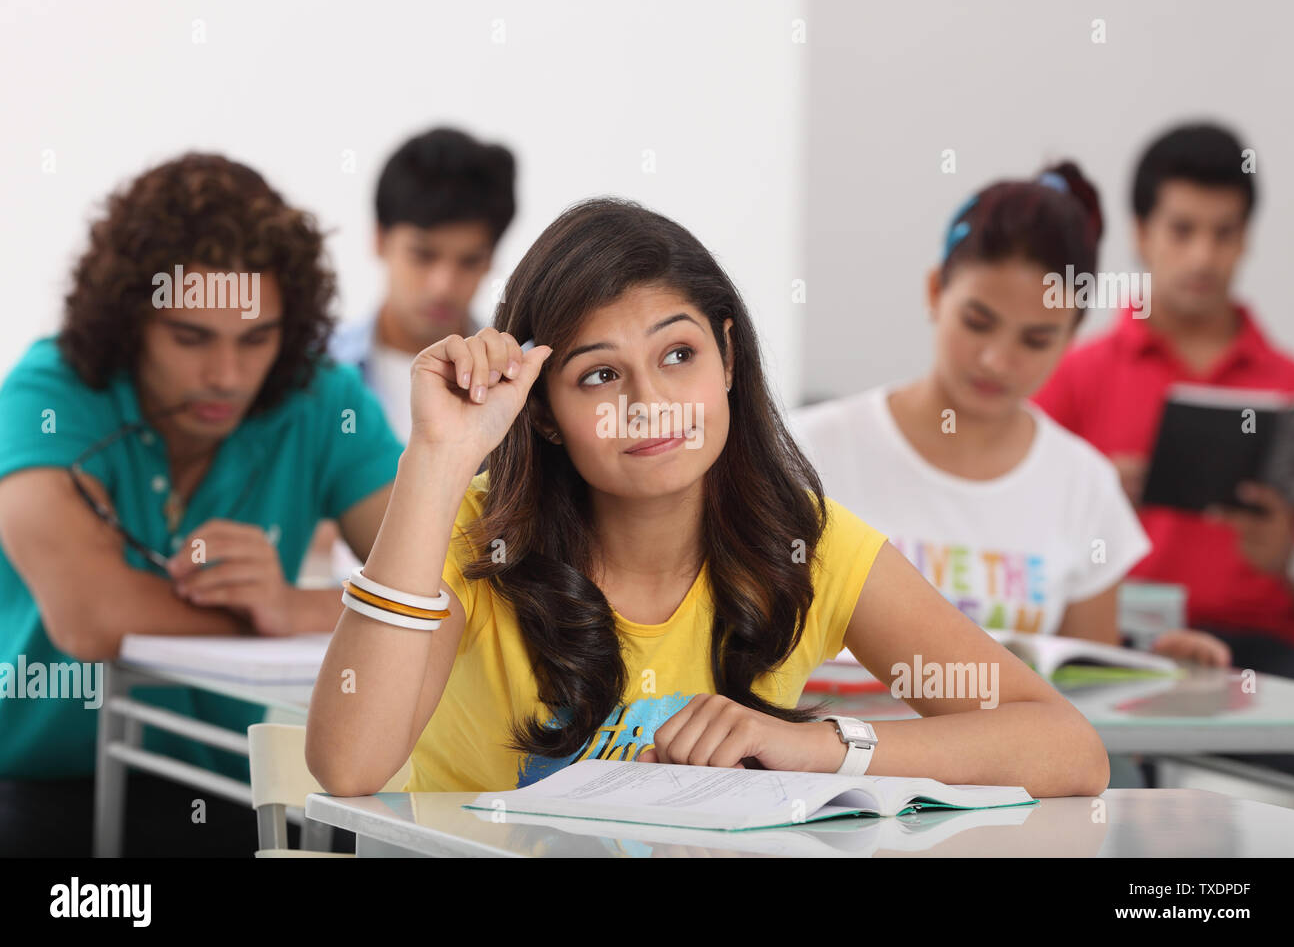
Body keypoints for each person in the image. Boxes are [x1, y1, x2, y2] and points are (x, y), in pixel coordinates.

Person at [306, 198, 1110, 801]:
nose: (650, 401)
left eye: (678, 354)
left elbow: (1065, 747)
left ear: (727, 357)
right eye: (599, 375)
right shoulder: (476, 536)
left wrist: (822, 747)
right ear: (543, 413)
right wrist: (438, 459)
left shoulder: (807, 543)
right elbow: (348, 765)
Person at [0, 153, 405, 855]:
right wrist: (275, 617)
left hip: (218, 779)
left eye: (257, 338)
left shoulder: (323, 398)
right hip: (33, 779)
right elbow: (92, 619)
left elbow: (449, 581)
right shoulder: (50, 392)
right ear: (131, 323)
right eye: (191, 338)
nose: (227, 375)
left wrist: (294, 606)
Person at [792, 162, 1228, 668]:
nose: (998, 360)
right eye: (978, 323)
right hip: (839, 742)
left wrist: (1161, 674)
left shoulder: (1084, 484)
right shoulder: (813, 450)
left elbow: (1080, 703)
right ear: (936, 292)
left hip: (1004, 749)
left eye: (1036, 339)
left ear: (1072, 336)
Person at [1032, 124, 1294, 682]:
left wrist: (1286, 561)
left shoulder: (1290, 385)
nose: (1203, 256)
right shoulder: (1073, 375)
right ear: (1141, 233)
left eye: (1224, 233)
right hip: (1117, 641)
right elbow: (1015, 534)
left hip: (1267, 653)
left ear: (1246, 239)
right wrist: (1092, 499)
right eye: (1182, 230)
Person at [329, 125, 516, 441]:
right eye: (423, 255)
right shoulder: (313, 374)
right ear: (379, 239)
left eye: (469, 260)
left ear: (490, 260)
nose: (443, 286)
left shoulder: (516, 383)